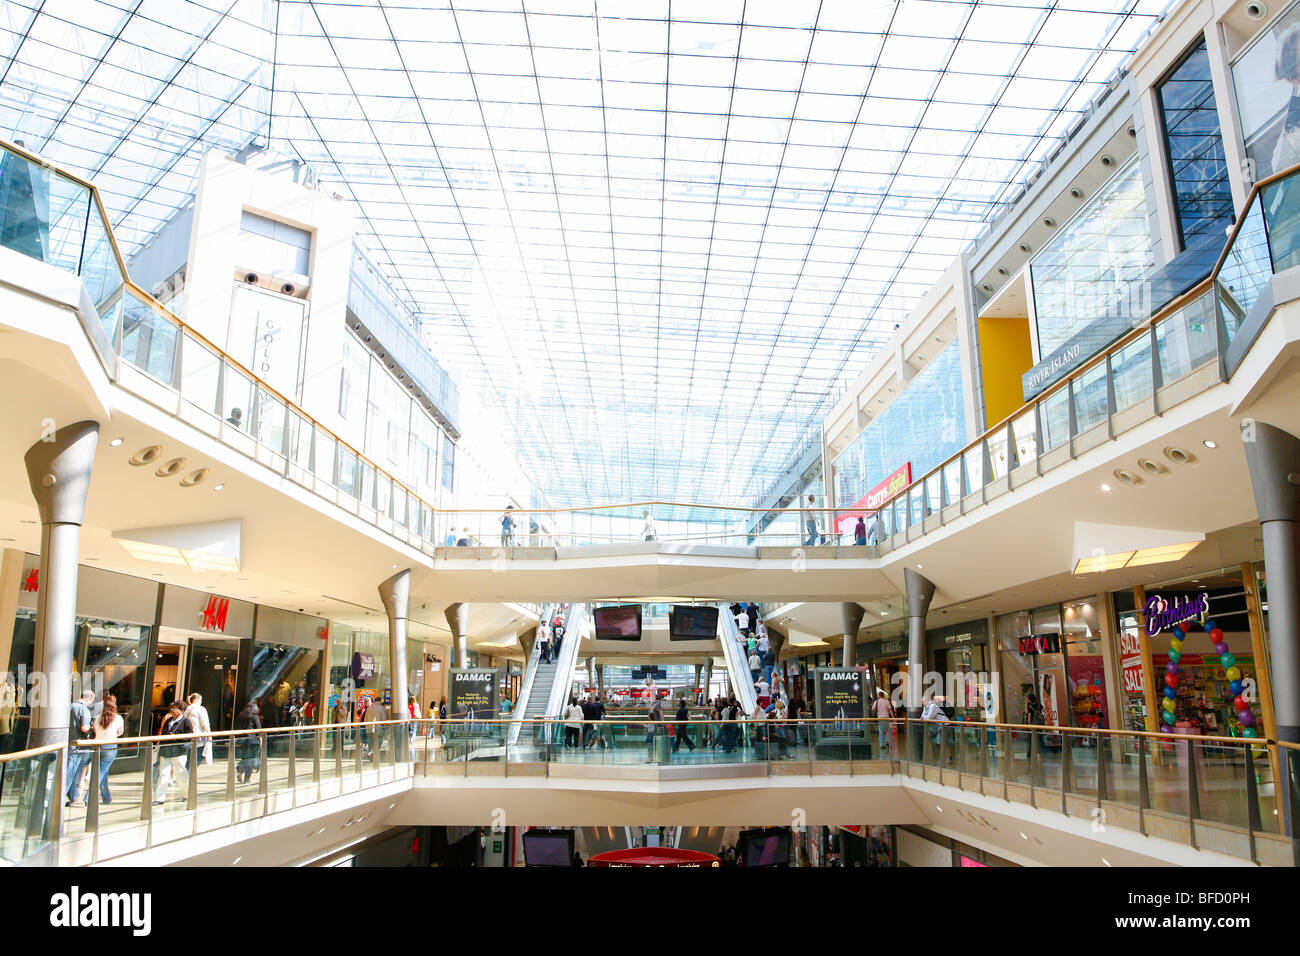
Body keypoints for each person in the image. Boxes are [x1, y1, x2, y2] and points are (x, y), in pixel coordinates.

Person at [153, 700, 193, 805]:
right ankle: (159, 798)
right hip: (166, 750)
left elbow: (190, 736)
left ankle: (186, 794)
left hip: (179, 751)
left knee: (180, 773)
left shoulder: (186, 722)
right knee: (163, 774)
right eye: (173, 708)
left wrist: (176, 737)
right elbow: (163, 735)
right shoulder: (168, 721)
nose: (173, 710)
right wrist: (160, 750)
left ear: (182, 711)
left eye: (176, 708)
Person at [91, 694, 124, 804]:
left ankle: (106, 797)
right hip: (110, 747)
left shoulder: (98, 718)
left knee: (103, 772)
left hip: (98, 746)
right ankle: (87, 798)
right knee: (101, 772)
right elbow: (120, 732)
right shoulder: (118, 718)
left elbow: (95, 730)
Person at [64, 689, 95, 807]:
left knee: (69, 771)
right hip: (77, 744)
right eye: (92, 700)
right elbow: (84, 728)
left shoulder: (70, 706)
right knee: (70, 772)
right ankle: (60, 798)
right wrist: (92, 728)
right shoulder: (84, 709)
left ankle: (74, 796)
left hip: (66, 741)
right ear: (89, 698)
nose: (91, 703)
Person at [235, 698, 262, 784]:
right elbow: (258, 728)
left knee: (245, 758)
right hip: (252, 740)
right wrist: (260, 739)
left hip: (241, 739)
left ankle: (240, 769)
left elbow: (236, 727)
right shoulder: (254, 716)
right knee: (251, 760)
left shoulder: (241, 715)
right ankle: (246, 779)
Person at [185, 692, 213, 766]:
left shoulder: (186, 708)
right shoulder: (200, 709)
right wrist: (210, 736)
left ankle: (187, 771)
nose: (201, 702)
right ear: (196, 700)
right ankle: (188, 772)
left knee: (187, 760)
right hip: (198, 738)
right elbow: (205, 725)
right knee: (197, 759)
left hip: (186, 738)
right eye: (201, 700)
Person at [872, 689, 894, 756]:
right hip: (886, 717)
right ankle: (887, 741)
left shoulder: (876, 702)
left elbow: (873, 709)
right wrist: (893, 717)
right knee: (889, 730)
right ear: (883, 695)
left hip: (880, 718)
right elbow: (890, 710)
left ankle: (881, 745)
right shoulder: (887, 701)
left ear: (879, 696)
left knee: (881, 731)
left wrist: (876, 711)